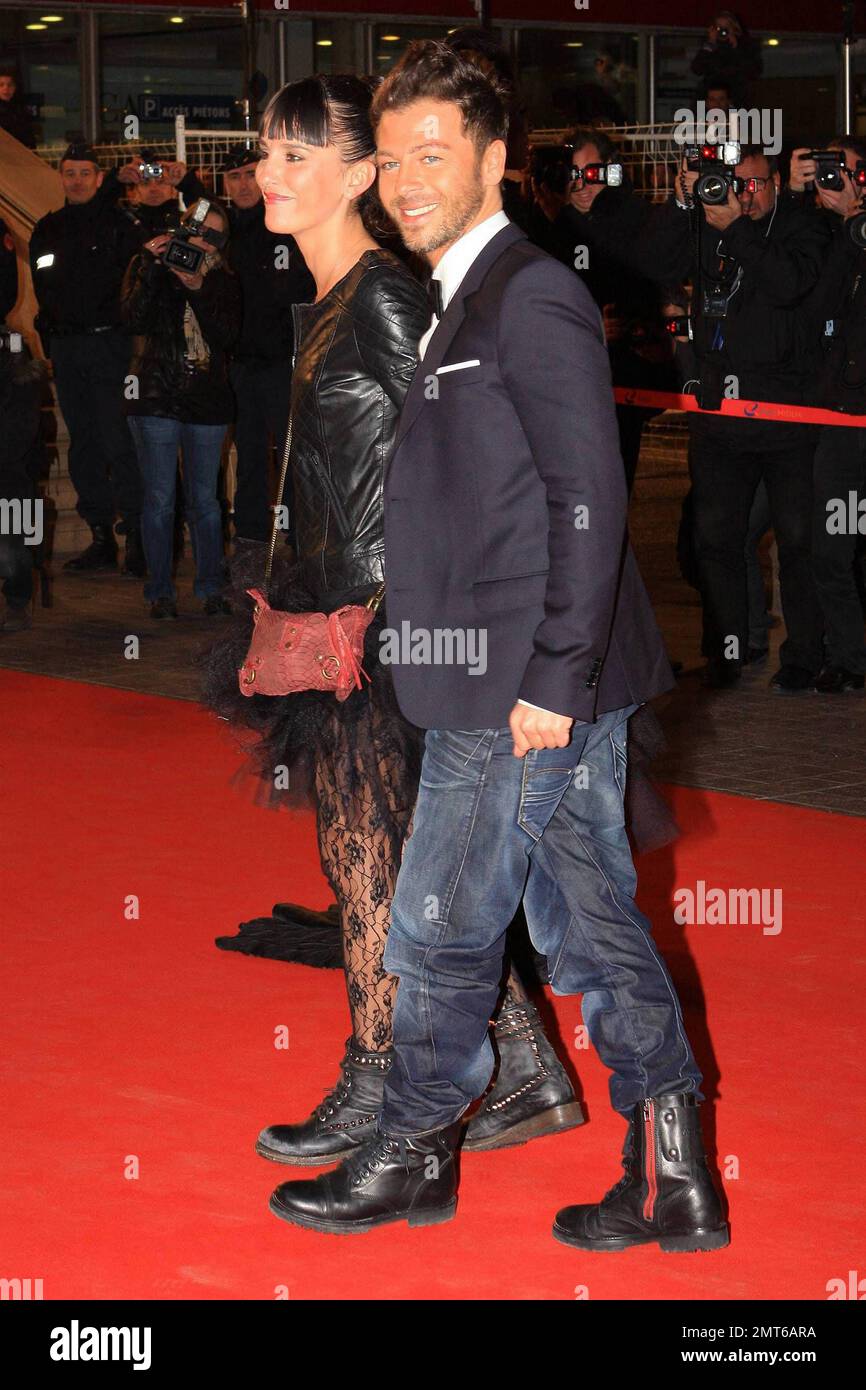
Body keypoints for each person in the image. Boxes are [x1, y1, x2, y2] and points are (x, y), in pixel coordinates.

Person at [268, 39, 729, 1254]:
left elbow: (588, 496)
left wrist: (549, 681)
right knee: (590, 920)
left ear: (490, 158)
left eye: (436, 154)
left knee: (434, 918)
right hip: (512, 670)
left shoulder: (528, 293)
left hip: (518, 677)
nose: (412, 178)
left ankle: (410, 1152)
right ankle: (674, 1170)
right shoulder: (451, 295)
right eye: (399, 157)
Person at [204, 73, 582, 1168]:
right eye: (264, 154)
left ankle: (380, 1081)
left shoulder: (382, 296)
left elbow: (478, 452)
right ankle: (521, 1063)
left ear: (357, 174)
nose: (269, 175)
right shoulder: (333, 298)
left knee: (366, 851)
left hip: (385, 630)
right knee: (405, 859)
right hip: (345, 614)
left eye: (294, 155)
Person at [667, 146, 829, 690]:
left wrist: (736, 228)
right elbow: (660, 265)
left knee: (799, 544)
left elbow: (789, 285)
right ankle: (729, 650)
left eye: (755, 185)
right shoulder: (706, 223)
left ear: (777, 182)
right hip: (720, 419)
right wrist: (682, 204)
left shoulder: (804, 227)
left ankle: (804, 658)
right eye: (734, 185)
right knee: (715, 538)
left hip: (789, 420)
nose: (743, 195)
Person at [121, 199, 240, 618]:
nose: (200, 241)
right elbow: (132, 318)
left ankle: (209, 587)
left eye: (212, 236)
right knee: (158, 498)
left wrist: (198, 288)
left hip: (206, 397)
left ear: (220, 243)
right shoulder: (149, 264)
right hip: (156, 392)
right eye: (195, 229)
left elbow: (227, 337)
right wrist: (155, 268)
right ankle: (160, 592)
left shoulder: (223, 279)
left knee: (205, 501)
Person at [29, 143, 144, 575]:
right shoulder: (47, 228)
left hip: (110, 348)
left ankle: (136, 538)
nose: (76, 180)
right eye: (69, 173)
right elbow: (44, 288)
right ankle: (99, 536)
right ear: (61, 177)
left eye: (85, 173)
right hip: (68, 348)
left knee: (120, 440)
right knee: (84, 446)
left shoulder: (119, 225)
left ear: (99, 178)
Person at [795, 138, 866, 691]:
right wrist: (848, 232)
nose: (837, 181)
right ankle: (848, 657)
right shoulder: (828, 233)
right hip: (840, 418)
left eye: (847, 171)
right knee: (832, 548)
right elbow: (816, 308)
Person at [222, 141, 315, 544]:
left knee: (291, 457)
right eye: (234, 177)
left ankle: (294, 542)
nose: (243, 185)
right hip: (241, 364)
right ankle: (251, 542)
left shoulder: (284, 224)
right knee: (249, 457)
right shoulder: (222, 231)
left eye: (248, 175)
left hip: (282, 362)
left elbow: (300, 290)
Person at [0, 67, 36, 149]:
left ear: (15, 88)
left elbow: (29, 139)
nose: (6, 88)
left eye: (10, 85)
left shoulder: (21, 111)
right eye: (1, 85)